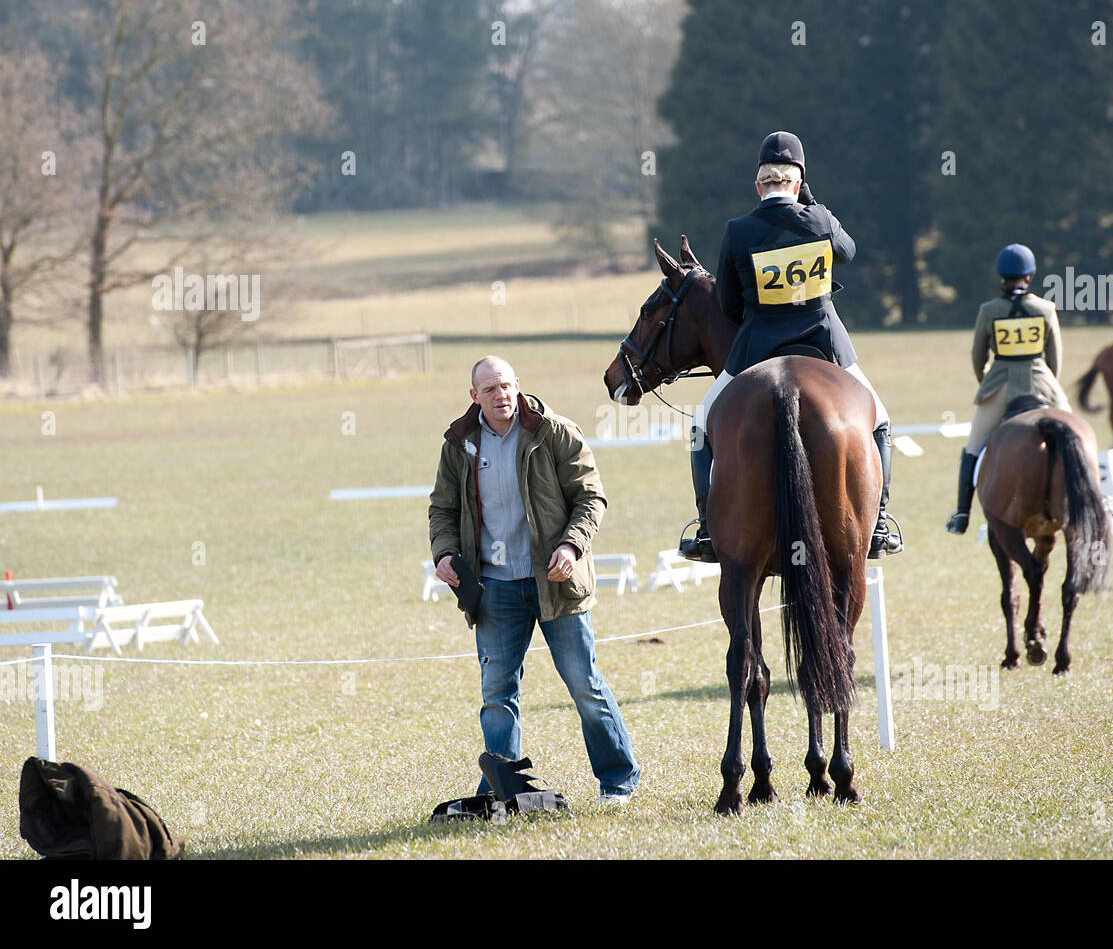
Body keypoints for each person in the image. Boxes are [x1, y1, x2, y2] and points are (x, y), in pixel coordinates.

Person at [679, 130, 902, 563]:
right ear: (798, 183)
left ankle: (707, 529)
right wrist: (815, 206)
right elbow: (849, 252)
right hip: (826, 342)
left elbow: (726, 303)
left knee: (701, 423)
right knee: (881, 422)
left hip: (758, 347)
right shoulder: (819, 221)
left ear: (758, 186)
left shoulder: (739, 230)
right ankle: (878, 524)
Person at [428, 356, 640, 805]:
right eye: (489, 389)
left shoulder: (554, 432)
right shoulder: (459, 444)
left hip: (556, 582)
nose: (500, 395)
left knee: (584, 684)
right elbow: (442, 509)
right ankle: (503, 793)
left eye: (506, 386)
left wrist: (571, 545)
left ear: (517, 386)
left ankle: (618, 782)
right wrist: (445, 553)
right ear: (474, 397)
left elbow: (591, 496)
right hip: (494, 588)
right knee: (497, 695)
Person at [945, 243, 1071, 534]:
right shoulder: (1045, 308)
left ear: (1001, 276)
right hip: (1042, 383)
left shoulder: (989, 310)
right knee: (1075, 434)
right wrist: (1049, 384)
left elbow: (978, 356)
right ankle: (1099, 496)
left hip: (999, 385)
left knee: (974, 446)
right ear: (1029, 276)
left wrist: (986, 382)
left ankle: (962, 514)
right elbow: (1055, 357)